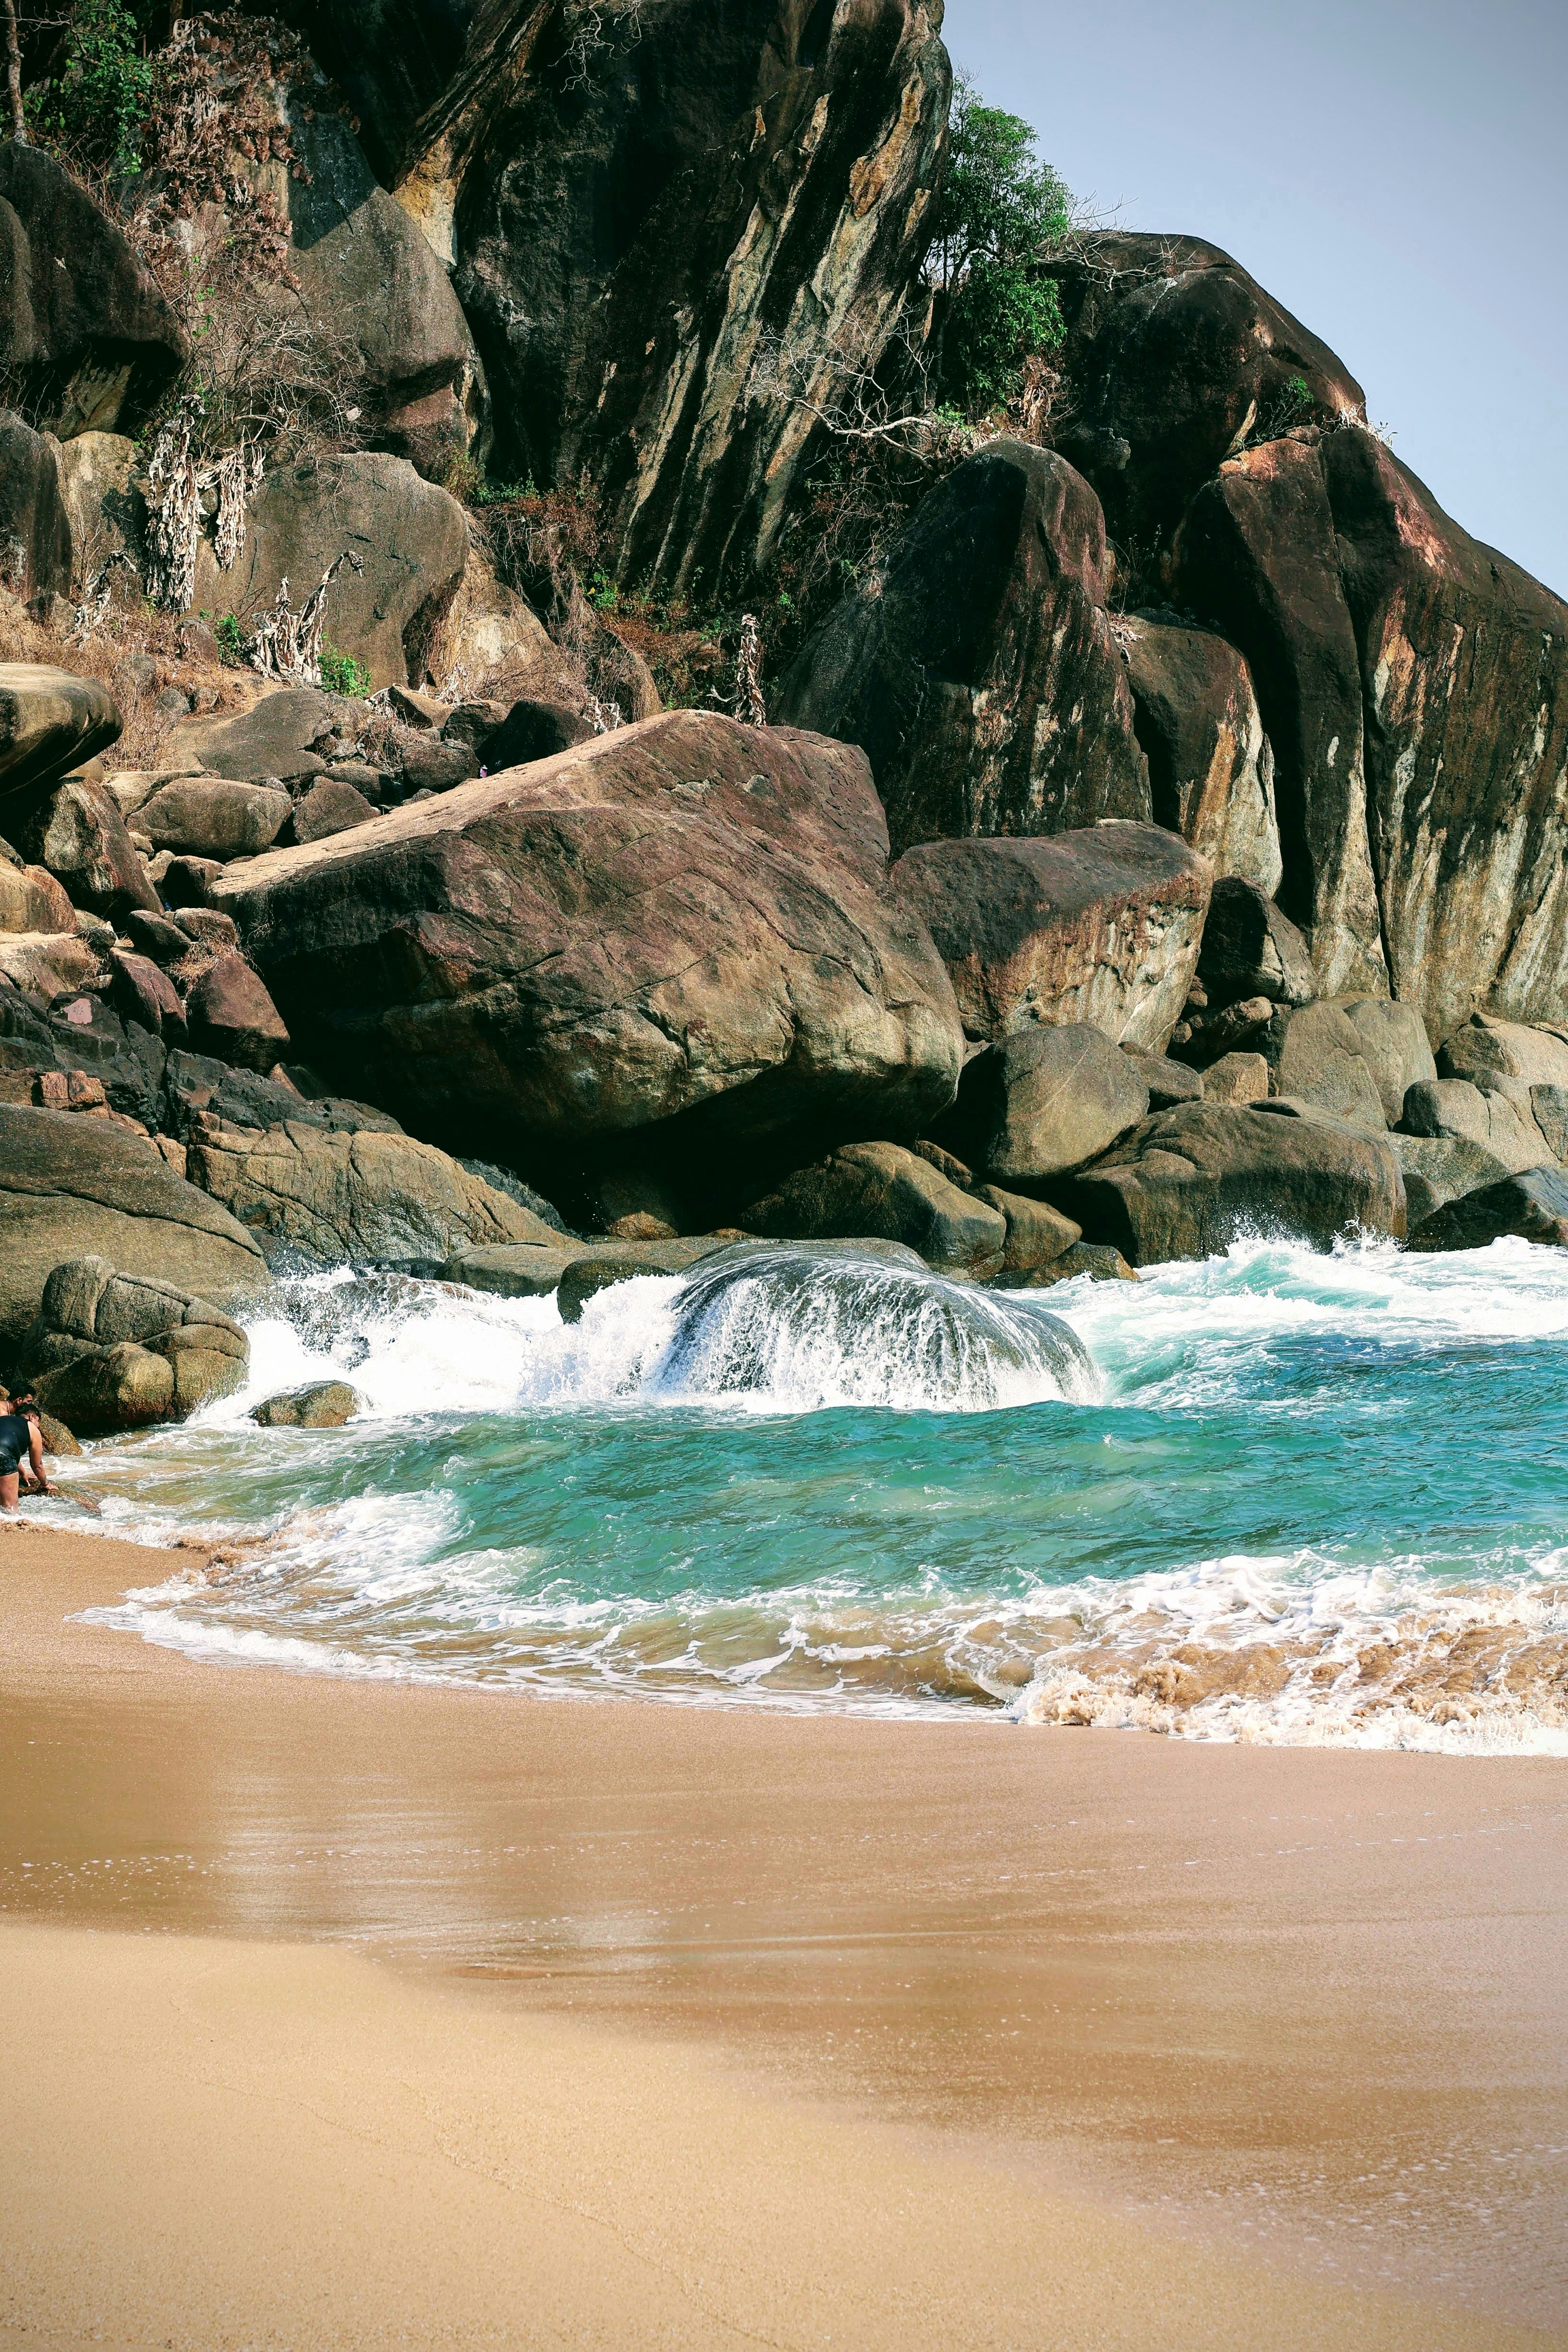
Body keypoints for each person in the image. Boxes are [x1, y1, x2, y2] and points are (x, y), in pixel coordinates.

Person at [0, 1391, 54, 1515]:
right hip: (3, 1456)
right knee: (10, 1508)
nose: (38, 1426)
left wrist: (23, 1473)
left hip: (4, 1453)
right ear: (32, 1418)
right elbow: (37, 1465)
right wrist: (45, 1483)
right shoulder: (32, 1428)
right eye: (39, 1421)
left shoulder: (3, 1419)